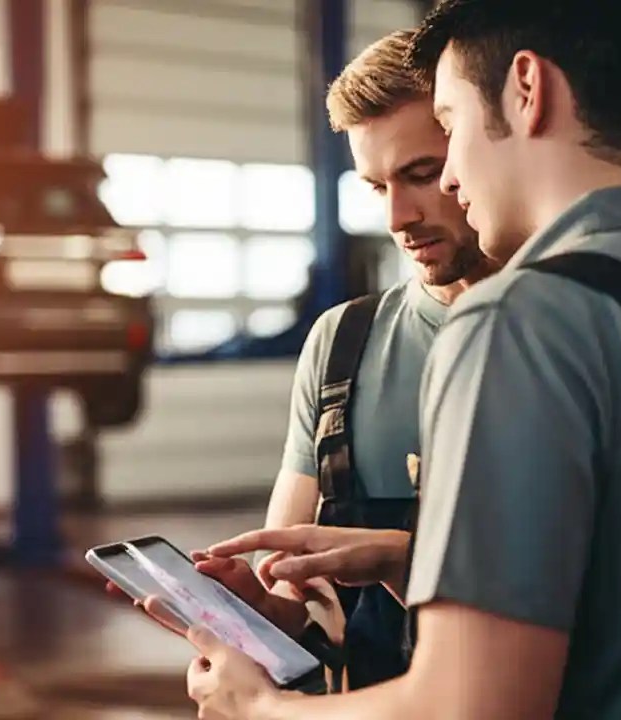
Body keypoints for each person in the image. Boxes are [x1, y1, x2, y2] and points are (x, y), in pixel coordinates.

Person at [178, 1, 621, 718]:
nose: (447, 183)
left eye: (450, 129)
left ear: (528, 89)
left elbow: (474, 707)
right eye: (376, 187)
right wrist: (407, 563)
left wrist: (257, 708)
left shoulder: (518, 323)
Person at [108, 29, 495, 690]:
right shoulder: (343, 344)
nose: (399, 217)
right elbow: (293, 599)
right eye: (376, 188)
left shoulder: (562, 338)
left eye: (421, 174)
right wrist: (251, 612)